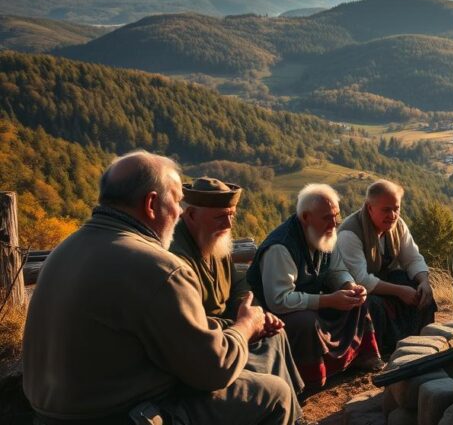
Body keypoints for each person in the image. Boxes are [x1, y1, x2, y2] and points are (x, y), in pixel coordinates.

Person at [22, 151, 294, 425]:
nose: (178, 214)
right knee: (274, 395)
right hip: (121, 416)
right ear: (152, 204)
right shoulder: (157, 266)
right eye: (176, 202)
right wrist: (245, 325)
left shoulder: (64, 250)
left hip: (53, 415)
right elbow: (214, 370)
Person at [169, 176, 304, 419]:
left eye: (232, 215)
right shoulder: (175, 257)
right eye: (221, 217)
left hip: (232, 328)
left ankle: (291, 415)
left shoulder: (212, 239)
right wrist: (244, 324)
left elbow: (239, 284)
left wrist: (254, 312)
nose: (229, 224)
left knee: (275, 334)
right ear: (190, 216)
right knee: (266, 349)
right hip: (209, 346)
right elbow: (193, 325)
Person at [246, 183, 381, 389]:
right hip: (275, 316)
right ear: (306, 217)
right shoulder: (280, 247)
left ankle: (362, 357)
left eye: (335, 215)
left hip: (311, 301)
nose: (334, 223)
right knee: (306, 322)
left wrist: (349, 285)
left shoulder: (325, 234)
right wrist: (328, 300)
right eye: (327, 217)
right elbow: (279, 301)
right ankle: (311, 380)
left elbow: (336, 270)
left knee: (356, 301)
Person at [338, 179, 436, 354]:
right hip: (357, 290)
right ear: (369, 208)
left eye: (396, 208)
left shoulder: (398, 225)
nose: (392, 215)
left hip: (385, 279)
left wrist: (424, 282)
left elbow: (412, 259)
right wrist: (400, 291)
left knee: (421, 292)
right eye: (386, 210)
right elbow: (361, 279)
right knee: (372, 304)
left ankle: (423, 342)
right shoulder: (350, 233)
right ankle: (382, 352)